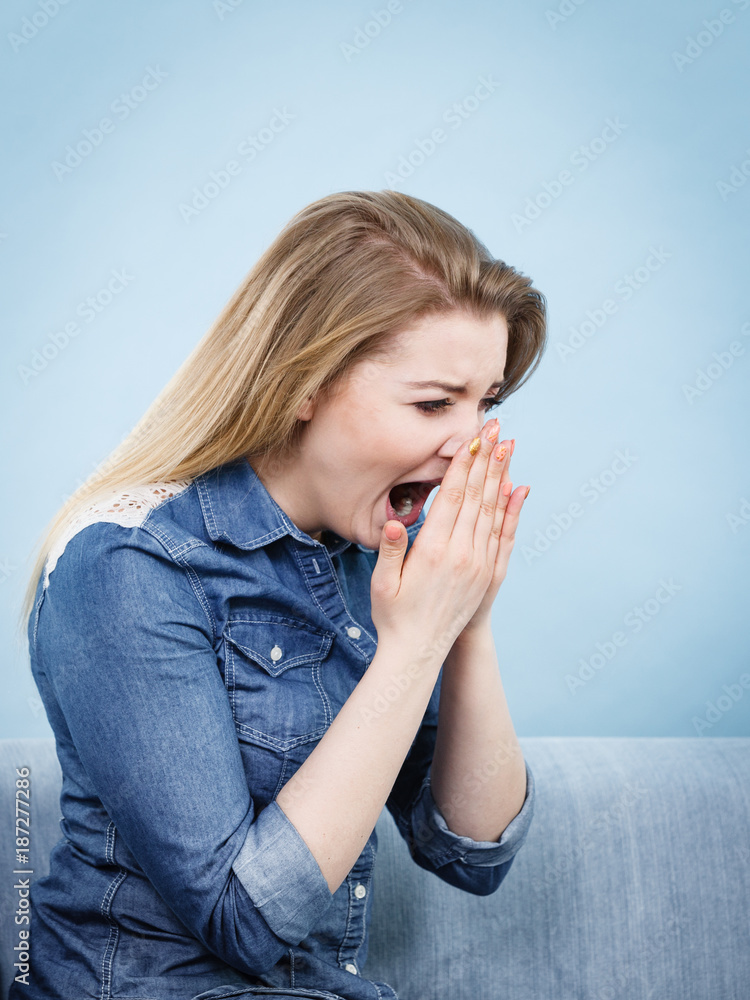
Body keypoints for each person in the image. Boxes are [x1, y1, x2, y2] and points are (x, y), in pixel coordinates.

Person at [15, 189, 547, 1000]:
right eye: (435, 403)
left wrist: (464, 621)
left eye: (489, 403)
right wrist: (410, 649)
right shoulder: (127, 562)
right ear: (302, 384)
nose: (473, 445)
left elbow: (473, 853)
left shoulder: (373, 557)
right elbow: (242, 918)